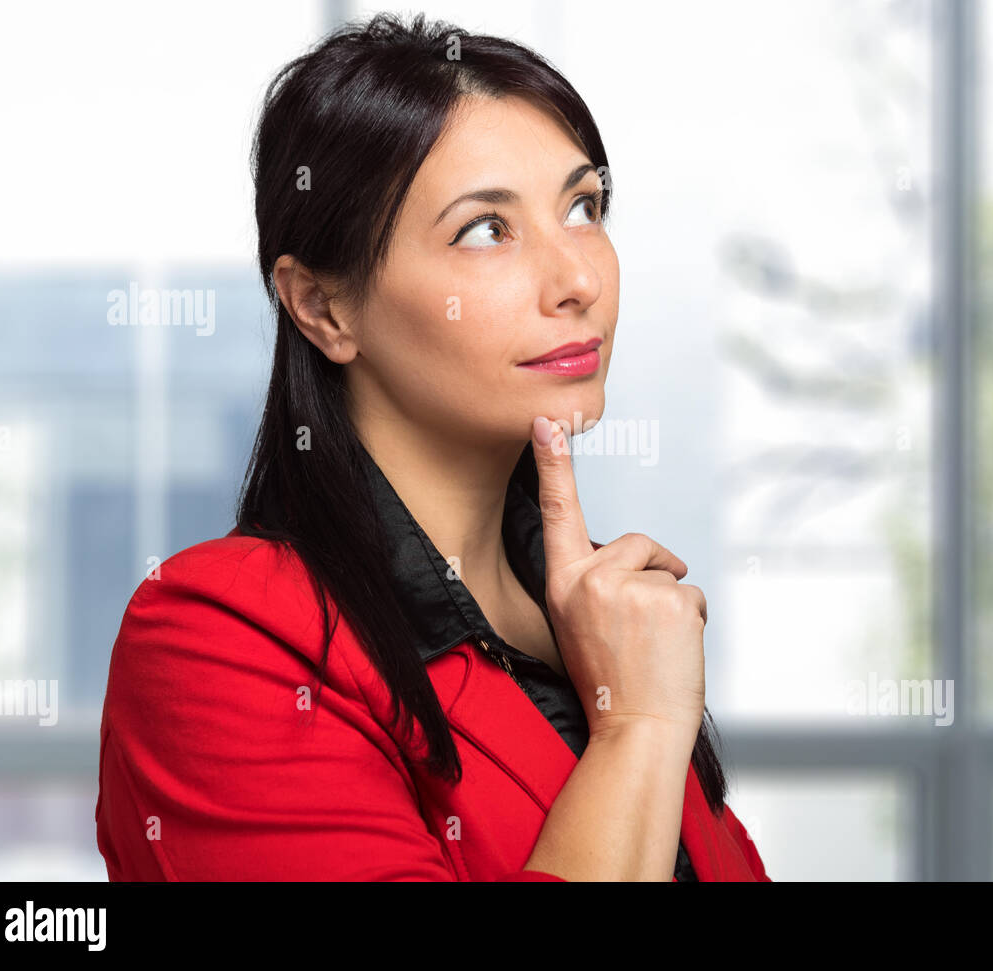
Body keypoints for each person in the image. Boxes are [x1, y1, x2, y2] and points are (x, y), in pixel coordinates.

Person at [95, 11, 769, 882]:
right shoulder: (217, 639)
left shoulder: (613, 619)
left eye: (583, 207)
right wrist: (638, 729)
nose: (579, 280)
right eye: (485, 229)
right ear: (324, 308)